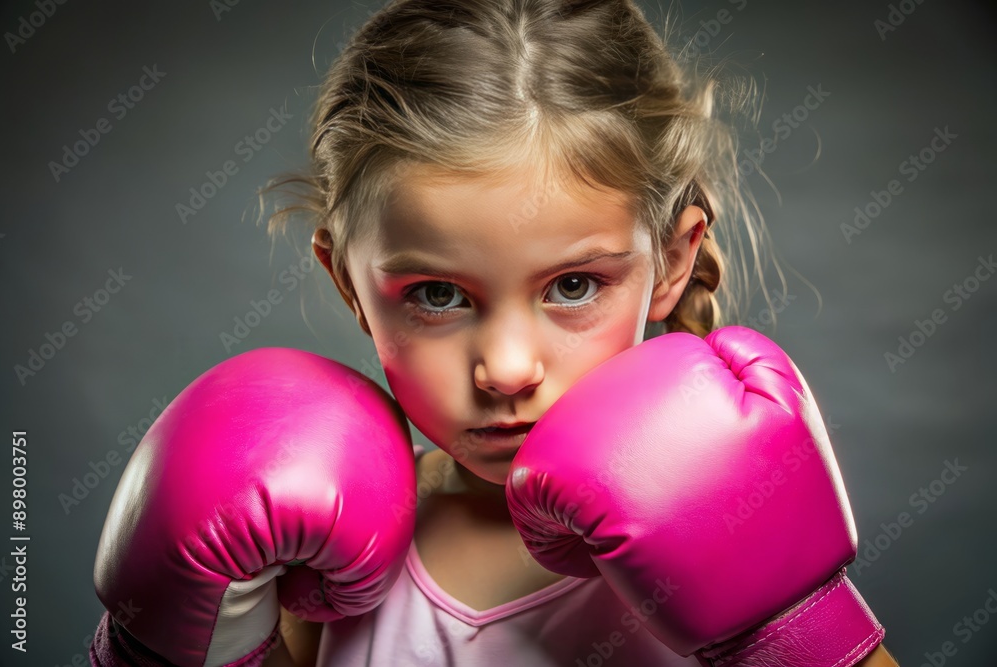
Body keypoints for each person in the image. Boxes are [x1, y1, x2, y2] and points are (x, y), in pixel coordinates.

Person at [89, 0, 899, 665]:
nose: (507, 369)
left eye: (574, 285)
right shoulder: (311, 569)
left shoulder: (727, 521)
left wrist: (787, 625)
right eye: (438, 294)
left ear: (676, 259)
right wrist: (154, 645)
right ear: (349, 283)